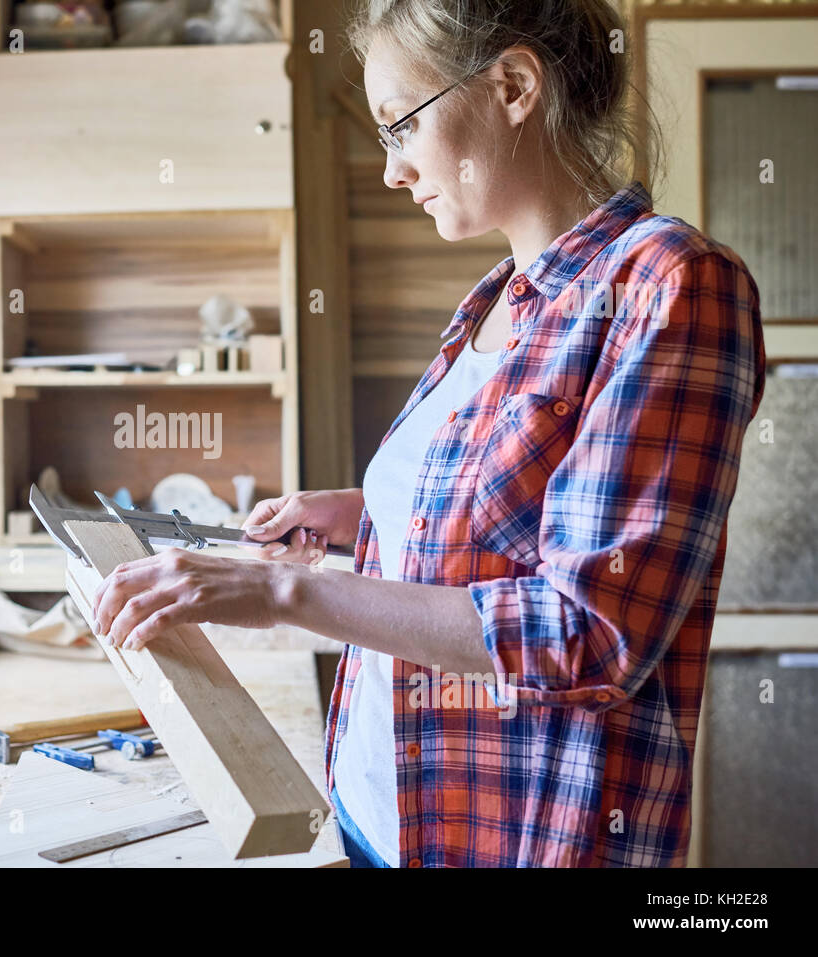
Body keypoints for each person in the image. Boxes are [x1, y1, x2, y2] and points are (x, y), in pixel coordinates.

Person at [89, 0, 766, 867]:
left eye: (400, 124)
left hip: (516, 834)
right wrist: (364, 510)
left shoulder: (671, 282)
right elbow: (501, 521)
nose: (392, 171)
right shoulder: (494, 297)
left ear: (514, 86)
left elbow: (586, 632)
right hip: (381, 807)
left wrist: (278, 593)